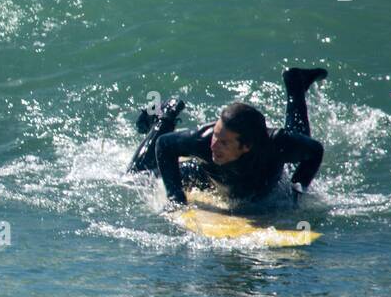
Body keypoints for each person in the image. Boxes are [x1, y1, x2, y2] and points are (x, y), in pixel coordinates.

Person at [127, 68, 328, 206]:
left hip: (259, 180)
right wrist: (176, 197)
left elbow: (315, 151)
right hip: (211, 177)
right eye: (216, 136)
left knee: (295, 151)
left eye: (223, 142)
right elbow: (165, 144)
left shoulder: (275, 144)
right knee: (137, 179)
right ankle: (167, 114)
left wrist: (296, 190)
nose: (214, 145)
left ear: (246, 146)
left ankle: (295, 83)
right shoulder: (204, 141)